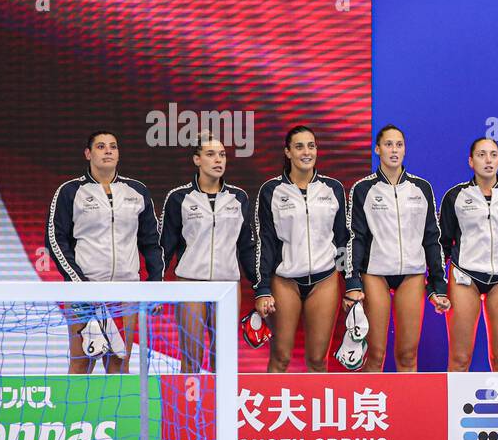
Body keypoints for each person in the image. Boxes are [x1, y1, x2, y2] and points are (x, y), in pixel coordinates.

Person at [47, 130, 163, 374]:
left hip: (125, 291)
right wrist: (80, 284)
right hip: (83, 291)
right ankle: (76, 405)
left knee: (119, 363)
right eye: (101, 146)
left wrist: (155, 284)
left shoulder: (137, 191)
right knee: (81, 362)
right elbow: (55, 239)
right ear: (88, 154)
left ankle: (119, 404)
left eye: (113, 146)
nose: (108, 150)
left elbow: (151, 242)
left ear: (118, 154)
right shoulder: (70, 191)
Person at [347, 125, 450, 372]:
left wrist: (438, 283)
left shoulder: (421, 188)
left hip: (412, 274)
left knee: (407, 354)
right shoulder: (363, 189)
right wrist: (353, 281)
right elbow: (355, 238)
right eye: (388, 144)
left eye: (399, 145)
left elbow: (431, 237)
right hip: (375, 274)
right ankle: (372, 399)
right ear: (377, 149)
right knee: (375, 353)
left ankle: (408, 399)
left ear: (405, 150)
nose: (394, 150)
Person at [253, 125, 350, 373]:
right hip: (285, 281)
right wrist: (263, 288)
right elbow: (265, 242)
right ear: (288, 152)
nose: (306, 152)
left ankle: (318, 400)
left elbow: (342, 240)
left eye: (311, 146)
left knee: (318, 360)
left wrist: (351, 283)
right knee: (281, 357)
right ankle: (273, 401)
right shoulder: (271, 190)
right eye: (299, 147)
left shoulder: (333, 188)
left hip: (325, 280)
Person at [160, 133, 254, 373]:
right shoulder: (179, 198)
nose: (218, 160)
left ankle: (218, 400)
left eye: (222, 155)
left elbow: (247, 247)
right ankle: (190, 399)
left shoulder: (238, 197)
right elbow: (164, 247)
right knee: (191, 358)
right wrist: (154, 284)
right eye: (210, 154)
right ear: (197, 159)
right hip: (190, 283)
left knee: (222, 360)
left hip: (227, 285)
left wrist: (261, 287)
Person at [438, 138, 498, 372]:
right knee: (460, 359)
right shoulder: (455, 196)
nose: (488, 160)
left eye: (493, 155)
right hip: (465, 278)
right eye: (481, 155)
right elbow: (442, 245)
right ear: (471, 161)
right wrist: (437, 287)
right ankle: (456, 398)